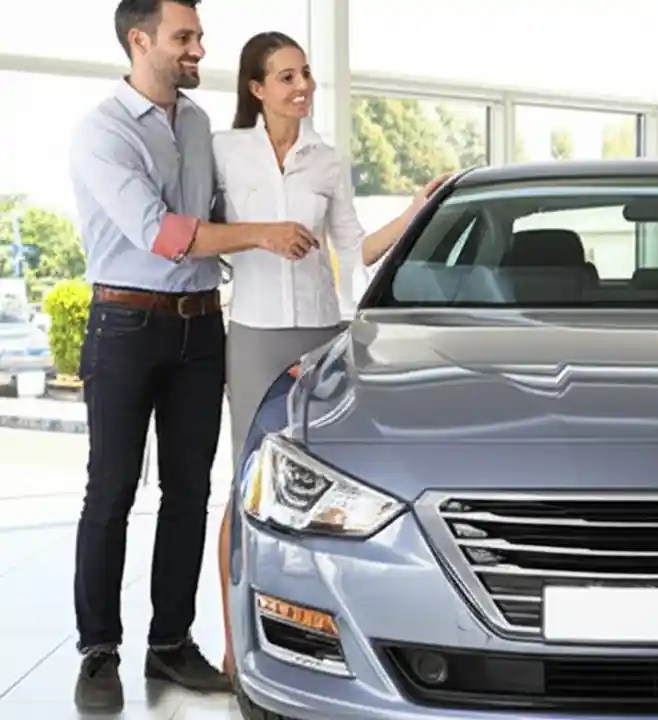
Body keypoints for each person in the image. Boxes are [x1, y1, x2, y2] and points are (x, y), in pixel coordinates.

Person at [69, 0, 320, 713]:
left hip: (201, 328)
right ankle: (98, 649)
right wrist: (262, 233)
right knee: (112, 490)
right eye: (185, 37)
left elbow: (219, 210)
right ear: (139, 39)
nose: (197, 48)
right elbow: (165, 233)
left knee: (190, 493)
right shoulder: (103, 132)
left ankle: (171, 642)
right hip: (125, 325)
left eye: (199, 36)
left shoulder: (198, 125)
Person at [211, 30, 449, 679]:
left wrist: (415, 211)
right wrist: (259, 237)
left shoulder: (328, 161)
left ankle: (317, 633)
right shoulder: (224, 153)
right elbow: (201, 235)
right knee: (246, 487)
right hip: (256, 335)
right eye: (286, 77)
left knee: (318, 489)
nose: (302, 87)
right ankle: (237, 645)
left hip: (321, 334)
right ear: (257, 89)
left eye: (306, 73)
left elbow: (357, 249)